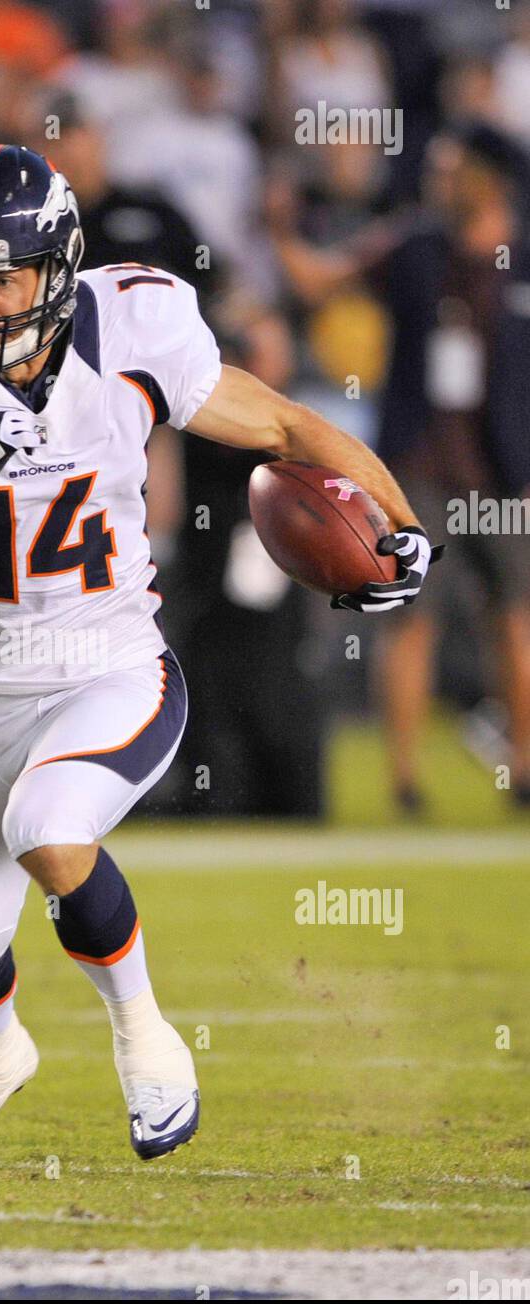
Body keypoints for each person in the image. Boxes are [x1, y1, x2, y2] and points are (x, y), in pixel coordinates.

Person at [0, 145, 440, 1161]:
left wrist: (401, 524)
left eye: (4, 276)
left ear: (58, 269)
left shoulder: (132, 325)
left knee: (47, 825)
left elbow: (285, 426)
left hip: (108, 666)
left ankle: (145, 1035)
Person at [268, 121, 530, 809]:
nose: (439, 178)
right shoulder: (415, 245)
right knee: (411, 619)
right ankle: (405, 780)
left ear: (488, 176)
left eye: (453, 167)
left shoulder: (522, 256)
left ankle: (524, 770)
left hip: (506, 468)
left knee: (515, 617)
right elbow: (320, 279)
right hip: (419, 464)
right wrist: (280, 227)